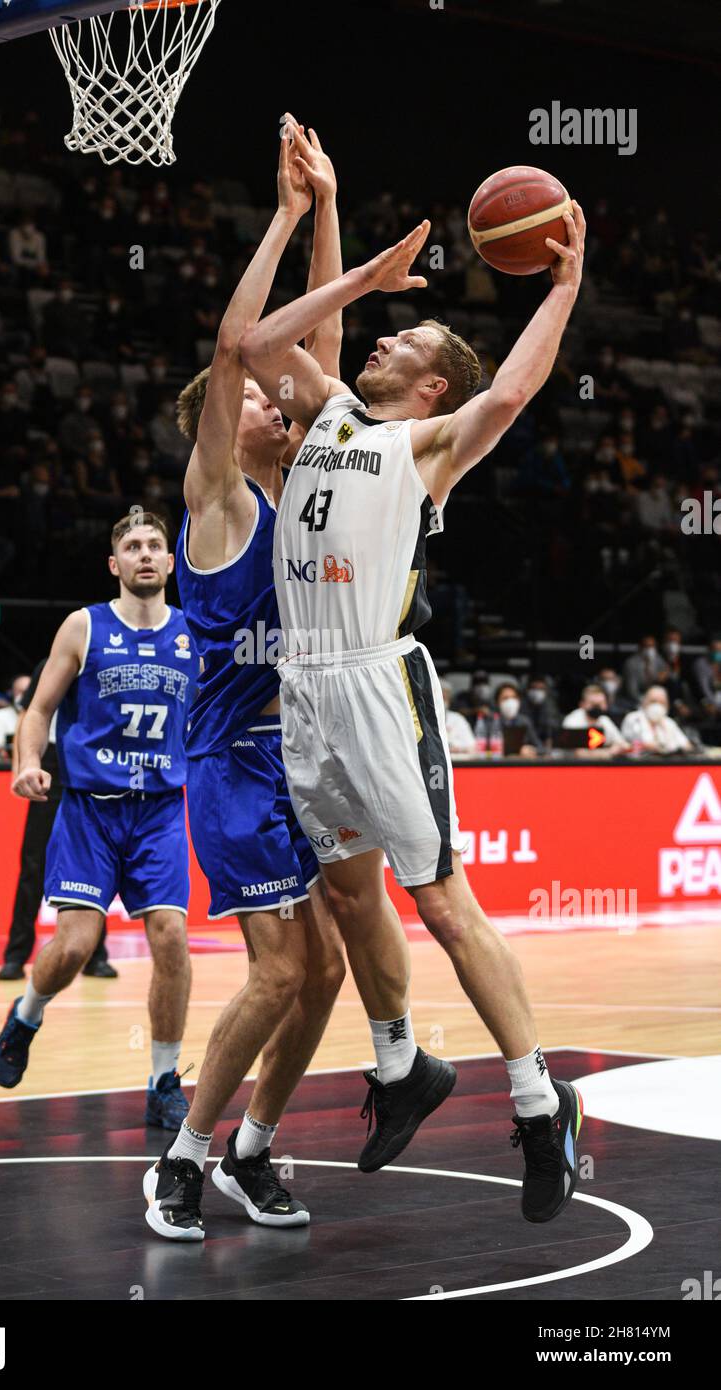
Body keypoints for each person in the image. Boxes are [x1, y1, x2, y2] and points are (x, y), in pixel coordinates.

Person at [240, 154, 588, 1223]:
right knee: (351, 897)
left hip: (382, 687)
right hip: (302, 689)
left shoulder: (429, 444)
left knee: (439, 898)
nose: (389, 335)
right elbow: (258, 344)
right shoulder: (331, 411)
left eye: (411, 338)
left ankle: (540, 1101)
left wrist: (565, 286)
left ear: (436, 384)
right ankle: (401, 1067)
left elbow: (516, 389)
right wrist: (344, 239)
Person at [143, 120, 346, 1243]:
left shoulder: (307, 480)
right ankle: (181, 1157)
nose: (286, 394)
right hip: (229, 765)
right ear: (227, 432)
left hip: (301, 758)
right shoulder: (223, 507)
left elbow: (327, 337)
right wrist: (276, 214)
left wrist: (330, 208)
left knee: (325, 974)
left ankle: (254, 1150)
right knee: (277, 972)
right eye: (269, 398)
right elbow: (235, 352)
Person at [0, 513, 198, 1132]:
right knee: (75, 947)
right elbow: (38, 709)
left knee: (171, 938)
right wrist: (27, 763)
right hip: (89, 811)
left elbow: (222, 716)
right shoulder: (85, 626)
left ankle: (163, 1079)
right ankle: (27, 1013)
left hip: (160, 812)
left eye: (155, 546)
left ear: (168, 562)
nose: (144, 555)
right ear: (114, 564)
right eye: (131, 546)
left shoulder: (195, 636)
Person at [0, 660, 114, 984]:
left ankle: (96, 956)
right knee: (34, 863)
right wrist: (21, 767)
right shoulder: (50, 664)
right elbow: (29, 713)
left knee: (96, 862)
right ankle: (16, 955)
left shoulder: (107, 657)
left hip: (92, 762)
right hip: (50, 762)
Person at [621, 685, 693, 754]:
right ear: (644, 702)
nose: (657, 706)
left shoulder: (669, 722)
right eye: (653, 701)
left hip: (669, 763)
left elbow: (686, 745)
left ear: (667, 706)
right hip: (641, 763)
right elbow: (633, 744)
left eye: (661, 702)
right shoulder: (633, 718)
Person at [562, 683, 629, 754]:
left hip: (599, 763)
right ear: (583, 704)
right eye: (593, 704)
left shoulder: (604, 720)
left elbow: (624, 745)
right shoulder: (573, 721)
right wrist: (609, 752)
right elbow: (579, 753)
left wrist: (616, 747)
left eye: (600, 704)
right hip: (571, 764)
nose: (597, 708)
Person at [0, 675, 30, 757]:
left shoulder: (48, 717)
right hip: (5, 766)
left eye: (29, 692)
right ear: (11, 693)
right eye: (21, 692)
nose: (25, 696)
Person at [440, 680, 476, 758]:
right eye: (439, 697)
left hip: (458, 764)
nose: (442, 701)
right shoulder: (421, 719)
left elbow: (471, 747)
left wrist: (453, 747)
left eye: (445, 697)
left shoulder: (458, 718)